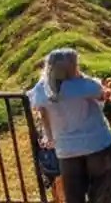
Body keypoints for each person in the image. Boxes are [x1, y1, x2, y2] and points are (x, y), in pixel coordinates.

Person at [28, 49, 111, 203]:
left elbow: (42, 113)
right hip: (97, 142)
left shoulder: (41, 90)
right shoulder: (83, 85)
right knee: (101, 192)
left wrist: (49, 137)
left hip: (66, 148)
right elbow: (103, 94)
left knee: (73, 196)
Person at [28, 59, 65, 203]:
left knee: (58, 178)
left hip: (54, 138)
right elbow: (43, 114)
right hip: (59, 139)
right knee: (62, 177)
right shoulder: (59, 85)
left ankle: (58, 198)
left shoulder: (41, 87)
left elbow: (39, 111)